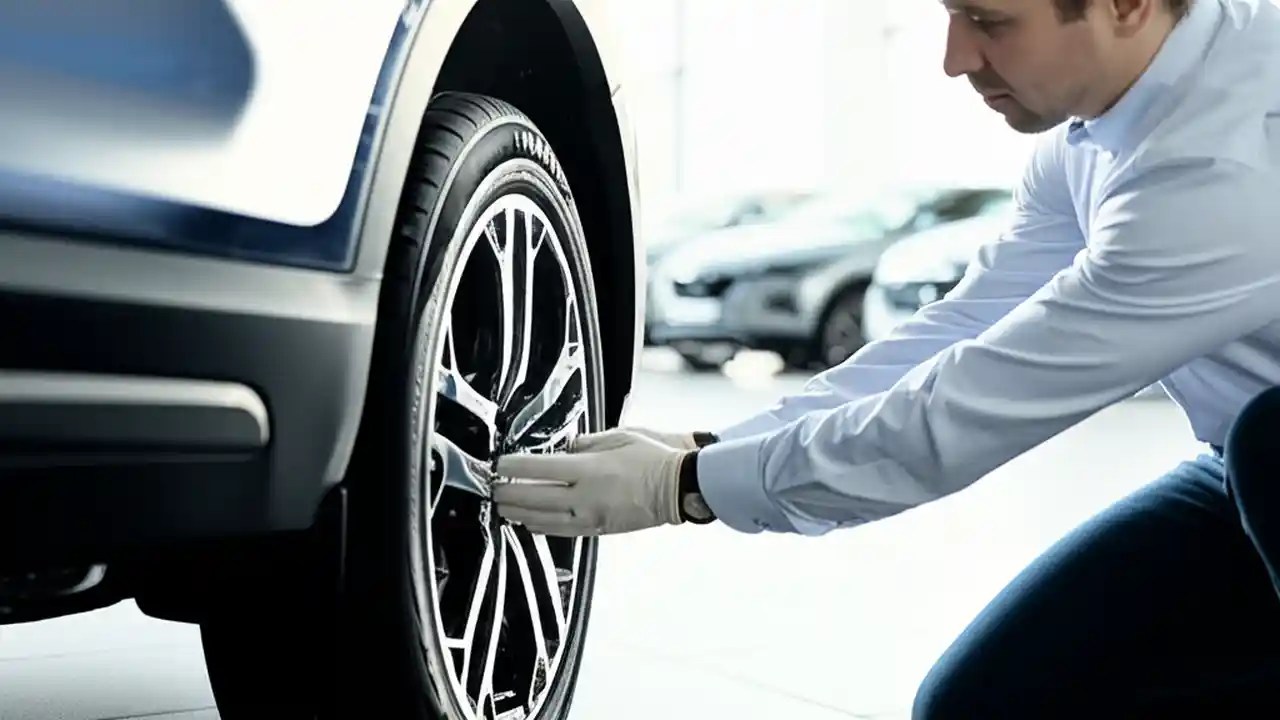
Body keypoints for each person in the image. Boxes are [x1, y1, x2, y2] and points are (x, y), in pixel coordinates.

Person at [494, 0, 1280, 715]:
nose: (955, 57)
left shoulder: (1226, 165)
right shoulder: (1091, 134)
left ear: (1125, 6)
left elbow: (969, 407)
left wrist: (689, 489)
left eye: (990, 21)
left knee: (1269, 439)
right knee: (981, 705)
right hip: (1244, 474)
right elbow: (960, 329)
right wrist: (718, 451)